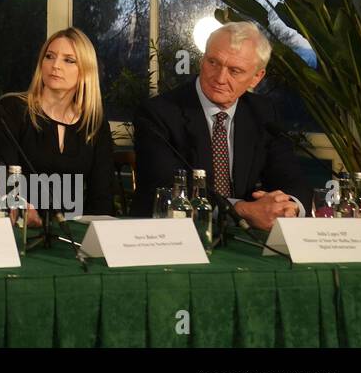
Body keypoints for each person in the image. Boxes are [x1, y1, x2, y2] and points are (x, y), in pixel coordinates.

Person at [133, 21, 310, 229]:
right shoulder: (159, 112)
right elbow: (168, 188)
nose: (219, 78)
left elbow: (291, 177)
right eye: (213, 63)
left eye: (235, 71)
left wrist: (289, 207)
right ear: (202, 60)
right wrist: (242, 210)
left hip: (243, 239)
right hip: (171, 233)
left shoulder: (263, 113)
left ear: (256, 77)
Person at [0, 27, 115, 220]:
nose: (55, 65)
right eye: (49, 56)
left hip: (73, 234)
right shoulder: (12, 109)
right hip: (19, 228)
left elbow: (102, 198)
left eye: (68, 60)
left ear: (86, 70)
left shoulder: (95, 123)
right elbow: (4, 180)